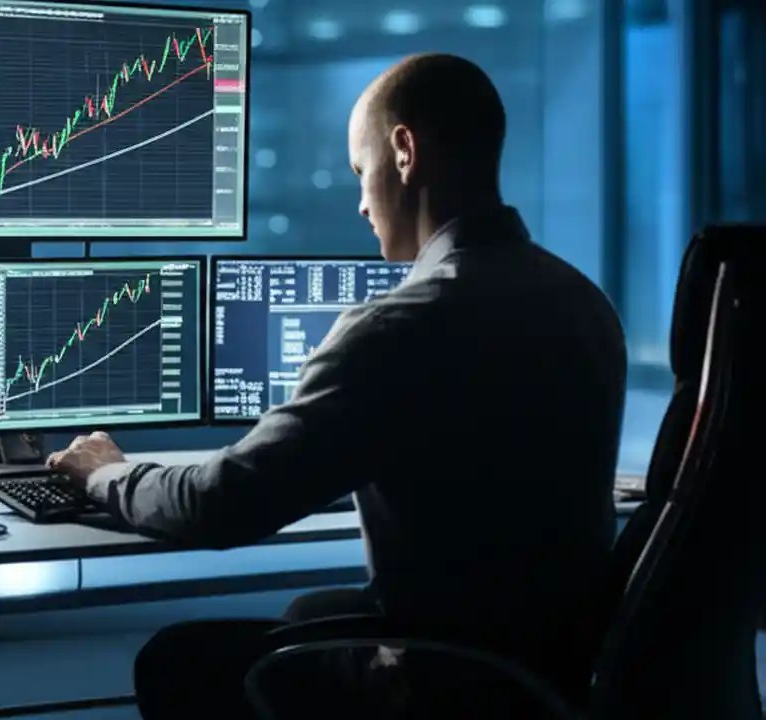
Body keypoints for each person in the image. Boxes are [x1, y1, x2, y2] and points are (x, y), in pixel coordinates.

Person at [48, 53, 627, 718]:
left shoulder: (400, 327)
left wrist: (106, 473)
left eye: (362, 171)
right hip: (554, 674)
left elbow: (220, 505)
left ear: (403, 151)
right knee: (313, 611)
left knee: (176, 661)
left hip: (441, 685)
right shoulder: (584, 302)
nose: (360, 201)